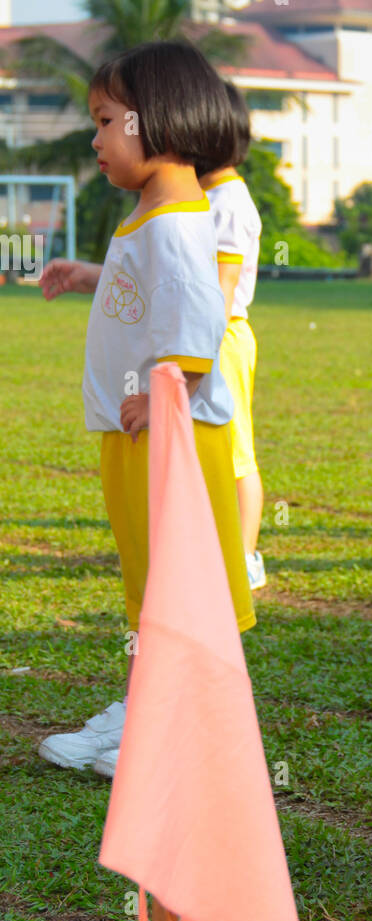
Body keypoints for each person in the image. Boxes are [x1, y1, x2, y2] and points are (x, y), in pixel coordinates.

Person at [37, 41, 255, 777]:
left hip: (174, 438)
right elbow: (150, 295)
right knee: (152, 588)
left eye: (105, 120)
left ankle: (179, 732)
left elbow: (197, 321)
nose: (96, 139)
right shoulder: (151, 216)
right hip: (138, 434)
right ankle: (145, 712)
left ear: (153, 120)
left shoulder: (177, 218)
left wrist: (170, 392)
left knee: (181, 590)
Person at [198, 83, 265, 591]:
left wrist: (197, 345)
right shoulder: (206, 197)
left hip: (220, 338)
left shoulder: (228, 202)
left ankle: (243, 557)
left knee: (237, 454)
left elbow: (220, 290)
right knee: (213, 450)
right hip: (206, 337)